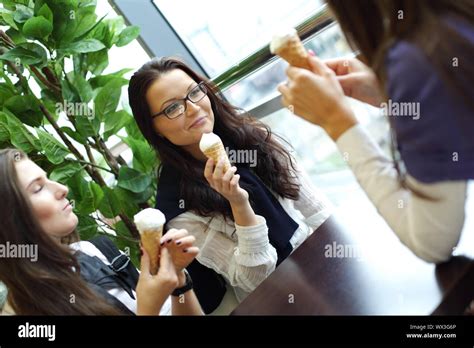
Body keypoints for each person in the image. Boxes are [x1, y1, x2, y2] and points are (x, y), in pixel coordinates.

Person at [128, 57, 331, 313]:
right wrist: (238, 202)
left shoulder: (249, 137)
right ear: (154, 129)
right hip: (273, 301)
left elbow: (316, 209)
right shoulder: (178, 208)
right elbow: (256, 278)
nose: (193, 109)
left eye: (194, 92)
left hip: (320, 264)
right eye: (172, 109)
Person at [279, 0, 474, 263]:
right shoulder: (450, 24)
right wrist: (392, 95)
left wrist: (337, 123)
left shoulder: (416, 61)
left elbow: (432, 242)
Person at [0, 148, 202, 315]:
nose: (62, 188)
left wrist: (178, 283)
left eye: (47, 179)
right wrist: (148, 309)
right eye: (37, 188)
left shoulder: (89, 250)